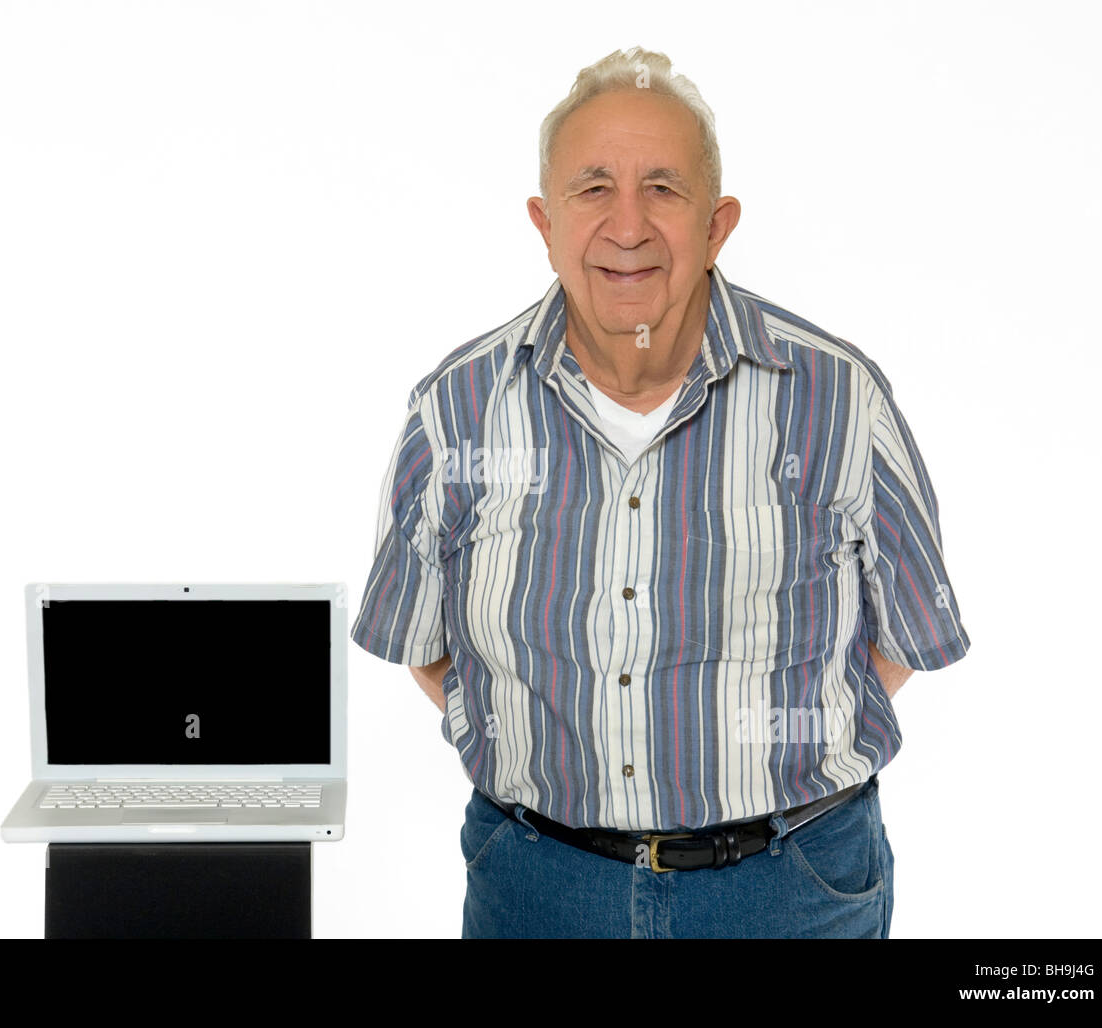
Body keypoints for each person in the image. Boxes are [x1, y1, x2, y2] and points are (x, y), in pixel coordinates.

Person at [350, 46, 969, 938]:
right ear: (545, 220)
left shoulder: (837, 398)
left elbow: (908, 632)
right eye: (593, 188)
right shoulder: (458, 410)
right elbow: (420, 640)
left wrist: (771, 764)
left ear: (718, 224)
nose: (628, 225)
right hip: (538, 889)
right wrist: (529, 739)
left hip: (791, 891)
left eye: (665, 190)